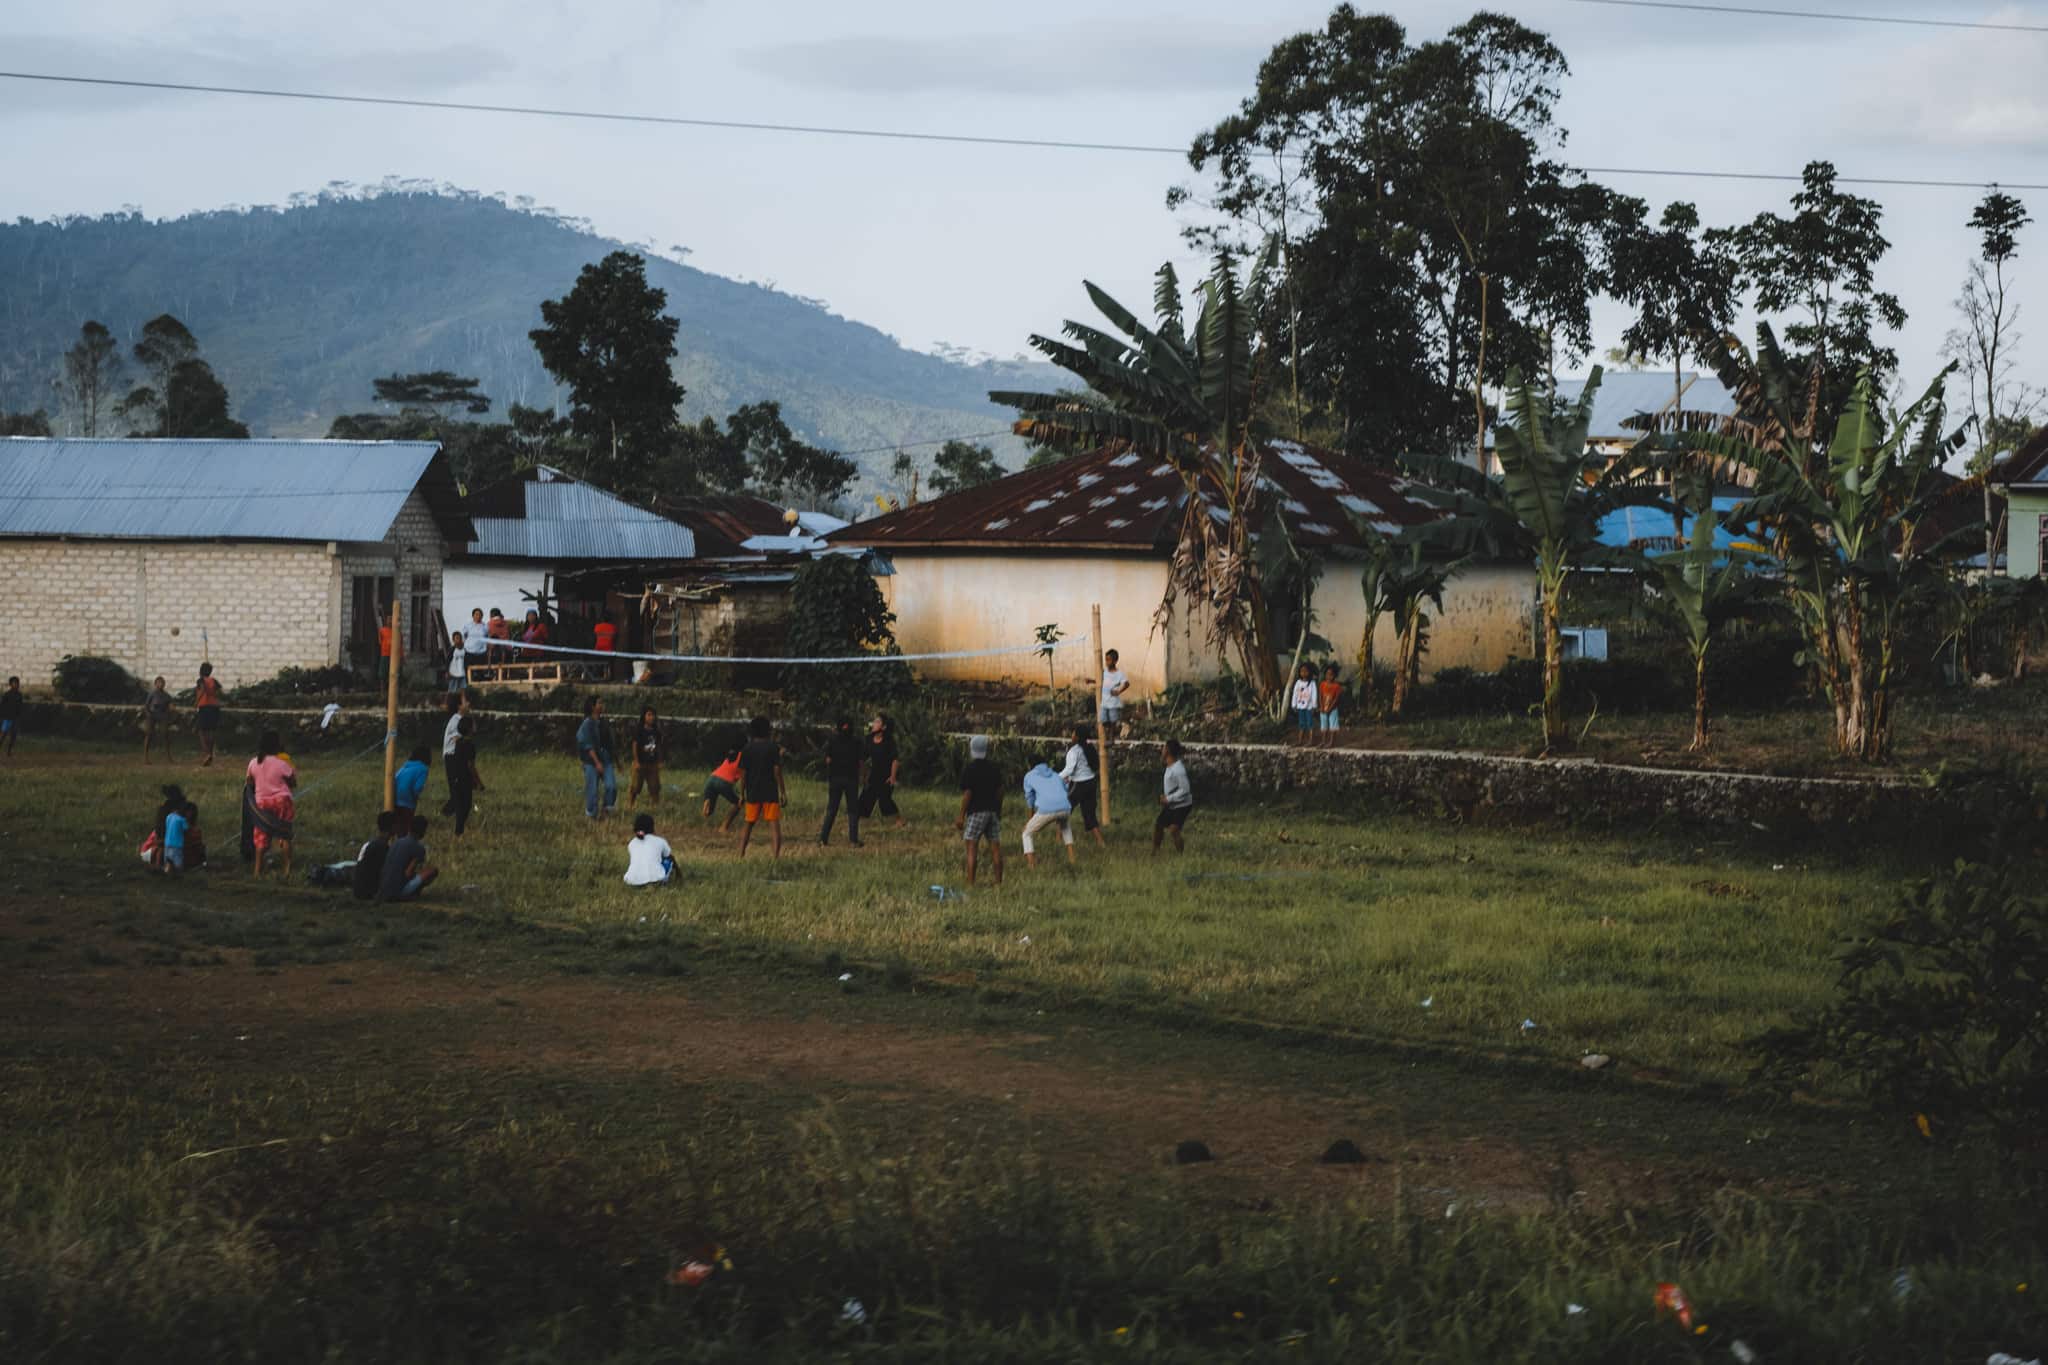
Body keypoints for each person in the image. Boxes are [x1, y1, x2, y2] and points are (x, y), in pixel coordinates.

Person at [246, 731, 297, 878]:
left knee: (261, 836)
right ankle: (287, 870)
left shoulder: (253, 762)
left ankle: (257, 871)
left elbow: (249, 782)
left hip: (261, 803)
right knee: (285, 834)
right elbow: (293, 782)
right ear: (276, 746)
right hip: (282, 801)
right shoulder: (281, 763)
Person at [955, 735, 1003, 886]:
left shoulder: (970, 769)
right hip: (992, 812)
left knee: (971, 846)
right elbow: (1000, 791)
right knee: (995, 848)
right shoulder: (994, 768)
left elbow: (968, 793)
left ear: (972, 749)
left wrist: (961, 816)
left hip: (976, 812)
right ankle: (998, 883)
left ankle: (971, 883)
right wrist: (998, 810)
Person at [736, 715, 785, 859]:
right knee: (774, 824)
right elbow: (777, 771)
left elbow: (743, 774)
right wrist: (783, 792)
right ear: (767, 730)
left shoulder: (747, 749)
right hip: (770, 792)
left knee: (748, 823)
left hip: (753, 792)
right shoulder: (773, 748)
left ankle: (740, 854)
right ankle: (775, 857)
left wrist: (742, 794)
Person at [1020, 751, 1076, 869]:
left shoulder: (1029, 776)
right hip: (1065, 807)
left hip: (1047, 809)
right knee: (1065, 827)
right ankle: (1072, 859)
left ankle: (1031, 865)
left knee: (1026, 833)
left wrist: (1029, 821)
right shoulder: (1055, 774)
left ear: (1031, 764)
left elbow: (1030, 800)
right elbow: (1065, 789)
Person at [817, 716, 865, 847]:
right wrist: (862, 776)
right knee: (853, 810)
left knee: (832, 809)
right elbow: (861, 762)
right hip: (851, 778)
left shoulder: (832, 740)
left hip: (835, 778)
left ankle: (823, 838)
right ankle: (853, 840)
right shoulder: (857, 741)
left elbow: (828, 760)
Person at [856, 712, 906, 829]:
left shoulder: (889, 741)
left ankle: (899, 820)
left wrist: (893, 777)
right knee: (866, 797)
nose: (874, 724)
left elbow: (895, 760)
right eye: (874, 721)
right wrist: (862, 775)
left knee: (884, 800)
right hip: (874, 774)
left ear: (883, 727)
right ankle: (857, 821)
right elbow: (863, 758)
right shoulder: (869, 739)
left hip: (887, 775)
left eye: (877, 722)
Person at [1059, 723, 1105, 847]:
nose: (1071, 735)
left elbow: (1069, 770)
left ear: (1077, 736)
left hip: (1078, 784)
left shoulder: (1074, 751)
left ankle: (1058, 839)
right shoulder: (1090, 748)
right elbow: (1085, 768)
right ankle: (1101, 842)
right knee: (1089, 814)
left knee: (1063, 810)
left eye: (1073, 733)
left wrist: (1056, 778)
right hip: (1091, 783)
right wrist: (1070, 778)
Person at [377, 814, 437, 902]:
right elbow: (408, 873)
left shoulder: (396, 842)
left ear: (409, 828)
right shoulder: (419, 848)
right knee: (432, 871)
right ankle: (412, 894)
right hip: (396, 892)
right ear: (423, 831)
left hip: (383, 889)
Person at [577, 696, 617, 820]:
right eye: (599, 703)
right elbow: (587, 745)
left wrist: (616, 760)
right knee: (592, 789)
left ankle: (606, 809)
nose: (602, 705)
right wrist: (597, 762)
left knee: (611, 786)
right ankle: (591, 813)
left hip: (606, 759)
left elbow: (610, 743)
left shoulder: (604, 723)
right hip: (591, 761)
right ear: (592, 706)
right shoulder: (587, 724)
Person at [1153, 739, 1195, 856]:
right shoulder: (1169, 766)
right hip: (1172, 804)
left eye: (1163, 748)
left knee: (1174, 829)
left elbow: (1185, 789)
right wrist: (1165, 797)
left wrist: (1168, 798)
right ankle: (1155, 851)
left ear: (1168, 751)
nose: (1161, 751)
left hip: (1182, 805)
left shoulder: (1178, 769)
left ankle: (1181, 855)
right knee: (1159, 825)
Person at [448, 717, 484, 836]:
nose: (475, 726)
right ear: (469, 729)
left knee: (460, 805)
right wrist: (478, 782)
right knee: (466, 806)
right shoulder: (470, 746)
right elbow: (470, 766)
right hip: (465, 779)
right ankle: (459, 831)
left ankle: (458, 829)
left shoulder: (459, 742)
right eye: (473, 724)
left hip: (456, 777)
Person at [352, 810, 397, 901]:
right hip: (367, 892)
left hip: (358, 890)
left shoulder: (371, 843)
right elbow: (384, 872)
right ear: (392, 827)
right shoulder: (382, 846)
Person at [624, 812, 676, 886]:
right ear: (652, 827)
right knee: (669, 860)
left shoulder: (631, 843)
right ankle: (663, 880)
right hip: (656, 879)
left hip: (631, 881)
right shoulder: (660, 841)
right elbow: (669, 856)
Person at [701, 742, 744, 831]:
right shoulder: (744, 757)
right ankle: (724, 827)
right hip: (724, 782)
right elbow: (744, 778)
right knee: (738, 803)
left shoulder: (731, 756)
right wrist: (742, 794)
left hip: (712, 778)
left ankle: (707, 806)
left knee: (709, 812)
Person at [627, 706, 663, 808]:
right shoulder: (639, 730)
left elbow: (658, 746)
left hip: (652, 763)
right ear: (644, 716)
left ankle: (655, 805)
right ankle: (630, 804)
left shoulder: (656, 731)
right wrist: (636, 761)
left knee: (655, 786)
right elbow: (635, 745)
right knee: (635, 786)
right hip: (641, 762)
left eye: (653, 715)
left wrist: (659, 761)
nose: (651, 717)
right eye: (649, 715)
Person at [439, 693, 469, 814]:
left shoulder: (457, 719)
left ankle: (448, 813)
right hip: (452, 757)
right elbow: (459, 739)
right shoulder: (456, 721)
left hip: (453, 757)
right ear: (459, 706)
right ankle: (446, 814)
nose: (468, 703)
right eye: (465, 701)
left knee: (458, 791)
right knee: (457, 793)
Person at [193, 661, 223, 767]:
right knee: (211, 731)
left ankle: (206, 753)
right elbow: (219, 692)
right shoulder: (214, 681)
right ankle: (210, 753)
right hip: (214, 706)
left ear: (201, 670)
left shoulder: (201, 680)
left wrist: (196, 702)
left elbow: (201, 691)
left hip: (204, 706)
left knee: (201, 731)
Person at [141, 676, 174, 764]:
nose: (161, 684)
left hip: (162, 715)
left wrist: (171, 708)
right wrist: (148, 714)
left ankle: (168, 756)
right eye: (159, 683)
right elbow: (146, 706)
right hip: (152, 715)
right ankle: (145, 757)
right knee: (149, 735)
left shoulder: (166, 695)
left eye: (162, 683)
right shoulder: (152, 694)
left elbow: (170, 704)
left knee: (165, 734)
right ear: (155, 684)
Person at [1099, 649, 1130, 738]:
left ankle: (1111, 736)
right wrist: (1091, 681)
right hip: (1104, 702)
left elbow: (1126, 684)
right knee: (1103, 720)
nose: (1107, 662)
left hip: (1113, 702)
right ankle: (1119, 726)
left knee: (1113, 721)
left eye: (1109, 660)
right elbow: (1100, 681)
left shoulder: (1119, 674)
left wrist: (1118, 691)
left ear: (1115, 661)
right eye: (1106, 660)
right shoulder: (1104, 672)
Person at [1289, 662, 1318, 746]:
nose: (1304, 673)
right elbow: (1295, 694)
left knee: (1310, 723)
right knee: (1301, 723)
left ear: (1309, 672)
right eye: (1302, 671)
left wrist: (1314, 706)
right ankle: (1300, 741)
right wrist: (1294, 705)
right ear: (1299, 672)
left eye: (1306, 671)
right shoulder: (1298, 683)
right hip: (1300, 707)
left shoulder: (1312, 683)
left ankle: (1311, 741)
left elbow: (1314, 695)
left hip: (1309, 707)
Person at [1318, 663, 1343, 748]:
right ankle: (1323, 741)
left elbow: (1336, 699)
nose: (1329, 676)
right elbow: (1320, 696)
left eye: (1331, 675)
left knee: (1333, 726)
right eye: (1327, 674)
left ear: (1335, 676)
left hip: (1333, 709)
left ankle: (1331, 742)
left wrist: (1330, 708)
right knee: (1323, 726)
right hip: (1323, 708)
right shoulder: (1322, 684)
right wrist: (1321, 706)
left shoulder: (1337, 686)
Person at [0, 675, 20, 757]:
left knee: (13, 736)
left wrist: (19, 716)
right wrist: (2, 717)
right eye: (14, 683)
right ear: (10, 684)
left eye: (17, 683)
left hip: (15, 719)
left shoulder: (19, 695)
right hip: (7, 718)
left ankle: (9, 751)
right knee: (3, 735)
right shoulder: (7, 694)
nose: (16, 685)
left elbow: (20, 706)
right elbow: (2, 706)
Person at [446, 629, 468, 699]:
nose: (458, 640)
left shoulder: (464, 649)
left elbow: (466, 660)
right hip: (453, 673)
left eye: (459, 638)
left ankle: (464, 703)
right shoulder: (452, 650)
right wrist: (448, 672)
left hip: (462, 672)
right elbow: (447, 661)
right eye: (457, 638)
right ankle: (446, 703)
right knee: (451, 690)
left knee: (463, 689)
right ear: (453, 640)